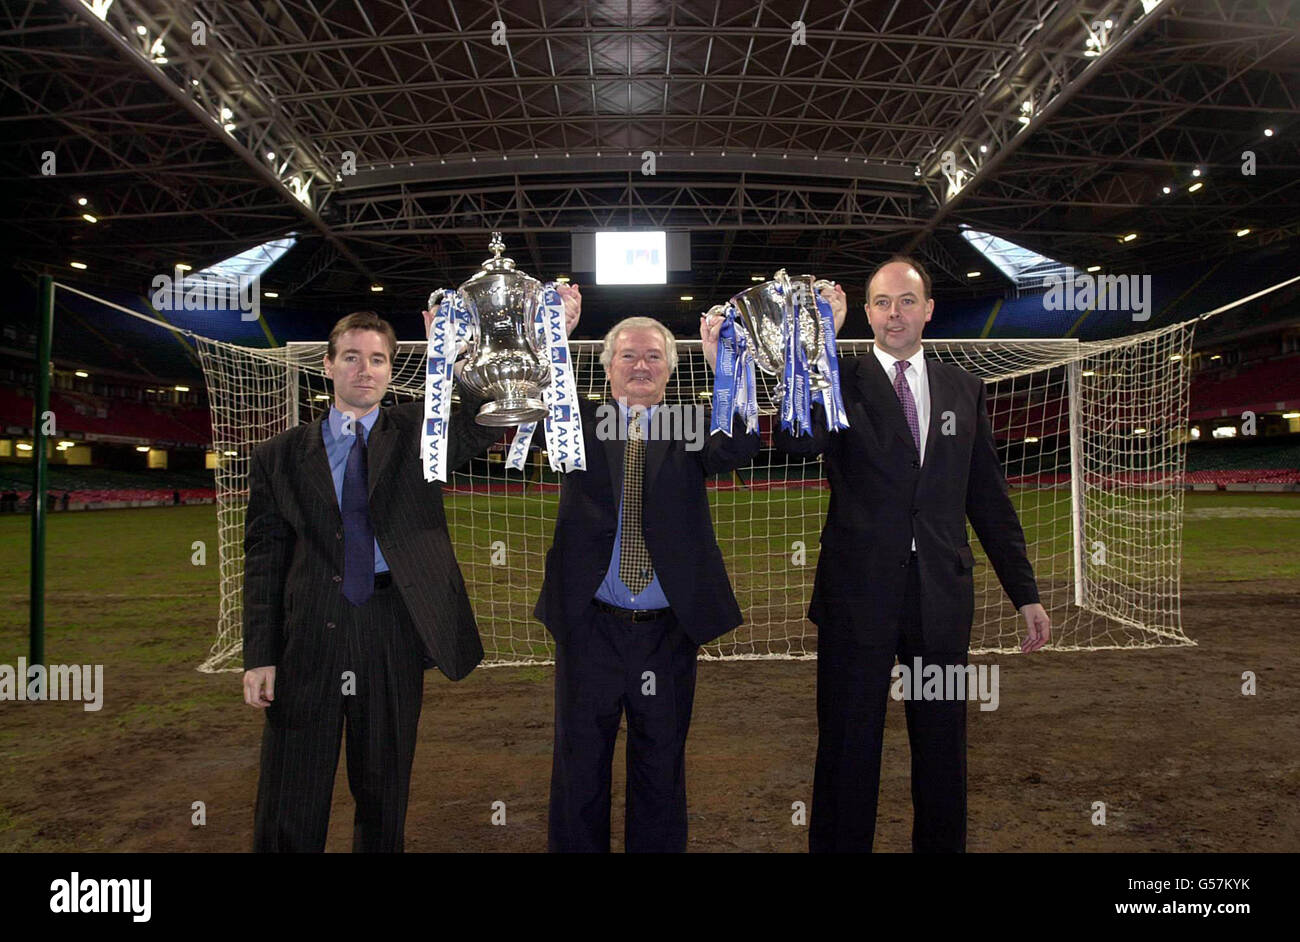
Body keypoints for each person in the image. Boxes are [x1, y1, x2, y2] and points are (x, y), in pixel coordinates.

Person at [709, 256, 1051, 853]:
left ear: (929, 309)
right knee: (848, 746)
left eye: (907, 301)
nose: (896, 314)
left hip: (940, 599)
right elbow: (796, 442)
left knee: (942, 748)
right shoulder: (836, 376)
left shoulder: (963, 389)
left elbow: (988, 500)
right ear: (866, 312)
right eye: (883, 303)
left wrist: (1025, 593)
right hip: (856, 598)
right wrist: (818, 355)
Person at [240, 307, 513, 852]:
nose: (365, 369)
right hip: (309, 636)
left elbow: (492, 411)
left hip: (392, 630)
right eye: (351, 357)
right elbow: (265, 561)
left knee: (384, 789)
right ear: (328, 365)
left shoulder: (421, 431)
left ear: (391, 370)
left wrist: (451, 356)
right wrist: (259, 655)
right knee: (292, 788)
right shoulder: (279, 457)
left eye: (378, 359)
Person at [536, 311, 760, 852]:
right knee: (579, 768)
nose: (641, 365)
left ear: (671, 370)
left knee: (660, 767)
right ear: (607, 367)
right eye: (628, 355)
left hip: (666, 634)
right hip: (590, 627)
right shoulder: (579, 422)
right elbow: (537, 404)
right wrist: (553, 340)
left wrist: (723, 365)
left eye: (654, 356)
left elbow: (738, 446)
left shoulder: (688, 423)